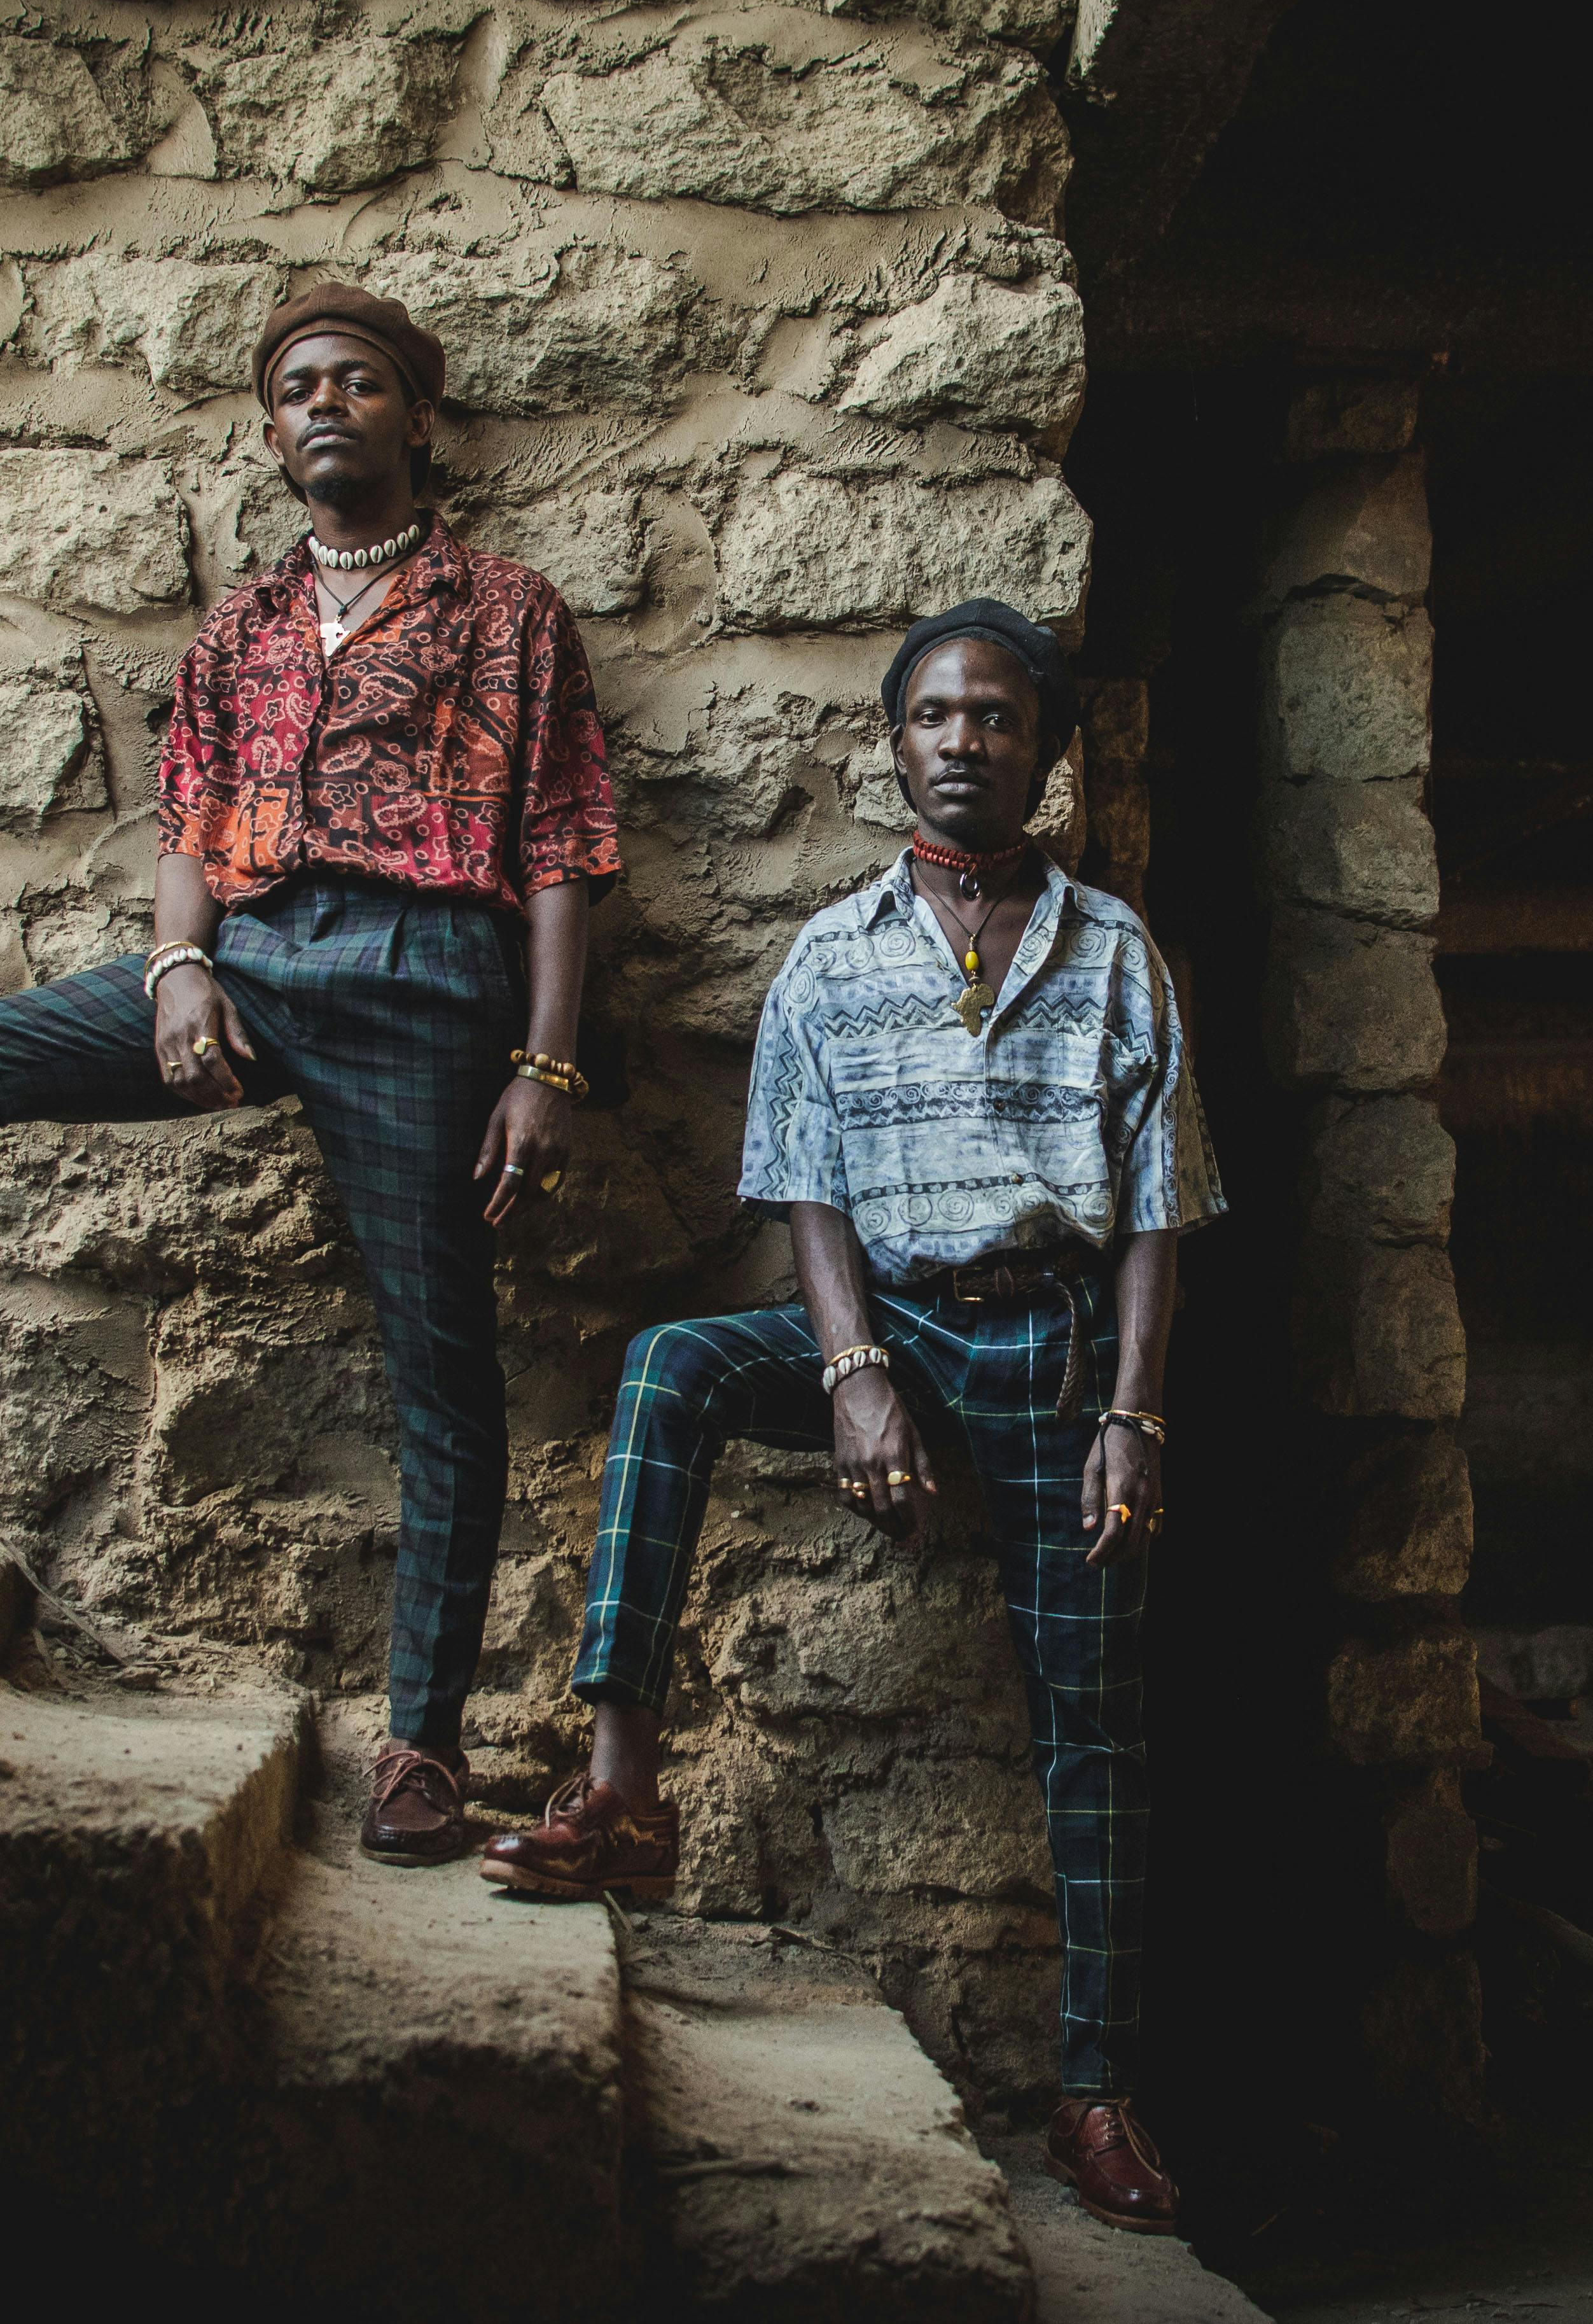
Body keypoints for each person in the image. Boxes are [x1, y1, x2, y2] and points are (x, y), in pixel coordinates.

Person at [0, 282, 620, 1869]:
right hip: (253, 967)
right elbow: (191, 830)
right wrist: (178, 966)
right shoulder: (239, 631)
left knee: (442, 1367)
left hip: (422, 988)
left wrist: (546, 1060)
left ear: (417, 415)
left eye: (356, 383)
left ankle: (421, 1743)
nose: (323, 406)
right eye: (294, 390)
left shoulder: (508, 609)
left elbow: (559, 845)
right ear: (269, 436)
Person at [476, 598, 1223, 2234]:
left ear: (1045, 749)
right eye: (938, 716)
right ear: (895, 744)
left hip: (1055, 1353)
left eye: (1000, 718)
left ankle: (1097, 2095)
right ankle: (620, 1786)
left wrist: (1135, 1416)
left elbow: (1160, 1204)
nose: (967, 741)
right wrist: (853, 1371)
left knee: (1095, 1724)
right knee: (671, 1362)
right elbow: (806, 1190)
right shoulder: (833, 951)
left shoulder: (1117, 953)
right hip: (884, 1329)